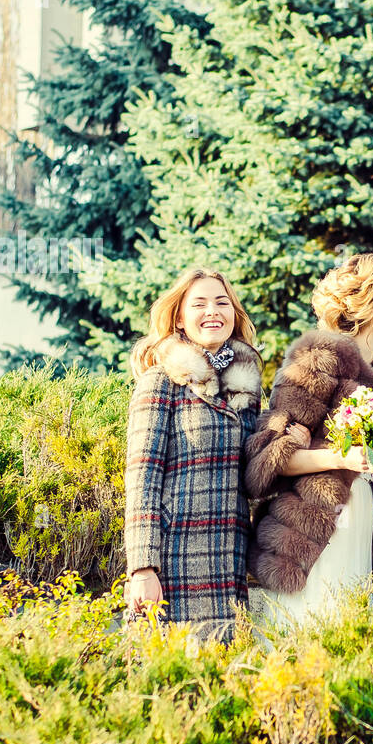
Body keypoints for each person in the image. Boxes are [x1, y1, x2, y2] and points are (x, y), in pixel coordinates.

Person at [244, 253, 373, 631]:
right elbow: (266, 463)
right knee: (307, 641)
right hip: (309, 533)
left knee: (346, 644)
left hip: (361, 524)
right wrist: (344, 457)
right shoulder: (319, 358)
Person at [123, 267, 264, 641]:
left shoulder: (246, 386)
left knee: (224, 684)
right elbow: (141, 479)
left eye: (222, 302)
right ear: (180, 318)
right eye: (198, 304)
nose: (212, 311)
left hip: (228, 555)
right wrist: (142, 569)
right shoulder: (161, 381)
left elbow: (253, 470)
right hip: (174, 559)